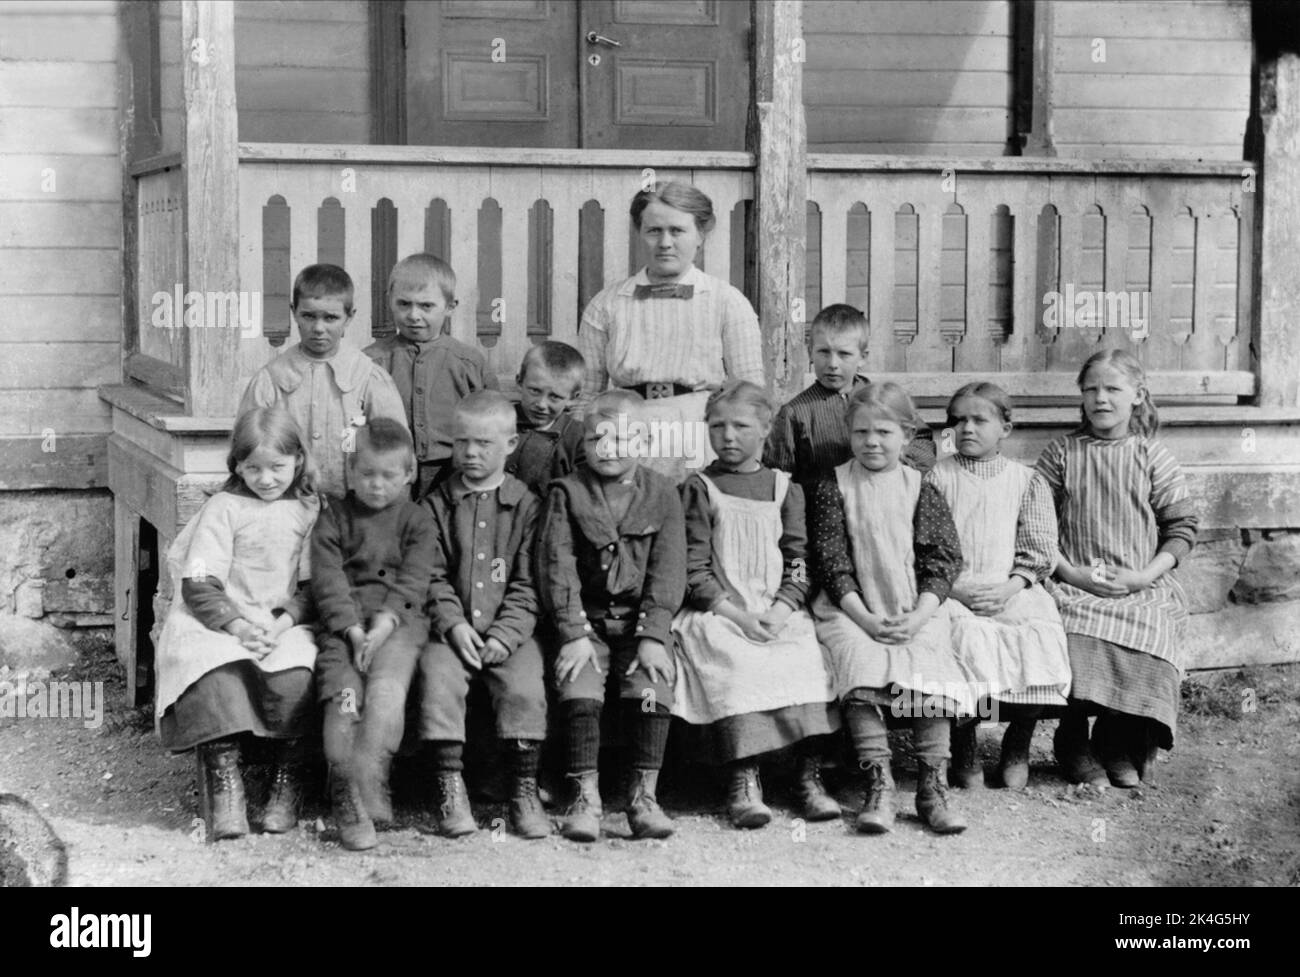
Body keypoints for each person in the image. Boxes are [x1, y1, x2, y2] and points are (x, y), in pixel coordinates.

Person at [672, 381, 841, 829]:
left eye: (741, 426)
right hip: (720, 610)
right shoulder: (700, 487)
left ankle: (808, 776)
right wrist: (736, 615)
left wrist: (784, 608)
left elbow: (799, 560)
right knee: (737, 662)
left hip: (775, 607)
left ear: (766, 428)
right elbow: (693, 567)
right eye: (717, 426)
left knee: (808, 656)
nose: (728, 436)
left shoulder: (785, 488)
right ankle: (744, 777)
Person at [809, 383, 968, 835]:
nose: (871, 442)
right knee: (858, 664)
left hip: (913, 606)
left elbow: (942, 559)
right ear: (848, 433)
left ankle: (932, 788)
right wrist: (865, 619)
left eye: (883, 432)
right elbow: (830, 561)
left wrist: (919, 615)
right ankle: (878, 782)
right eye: (861, 432)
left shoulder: (921, 486)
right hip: (851, 608)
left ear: (906, 434)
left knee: (930, 664)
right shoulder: (832, 485)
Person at [154, 406, 320, 841]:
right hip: (224, 617)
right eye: (254, 469)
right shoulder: (225, 508)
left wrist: (280, 624)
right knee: (212, 669)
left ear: (298, 461)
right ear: (238, 467)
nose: (266, 479)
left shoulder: (308, 510)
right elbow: (200, 583)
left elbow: (313, 588)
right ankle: (226, 780)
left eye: (277, 468)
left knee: (301, 671)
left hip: (284, 621)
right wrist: (239, 627)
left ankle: (288, 780)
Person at [1036, 350, 1198, 788]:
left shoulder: (1152, 456)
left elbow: (1181, 528)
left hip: (1139, 582)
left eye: (1112, 389)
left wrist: (1144, 577)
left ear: (1137, 396)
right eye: (1091, 389)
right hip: (1074, 581)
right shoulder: (1062, 453)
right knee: (1063, 628)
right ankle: (1072, 741)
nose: (1100, 399)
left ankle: (1116, 737)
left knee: (1154, 625)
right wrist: (1070, 574)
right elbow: (1034, 527)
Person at [536, 390, 686, 842]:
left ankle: (643, 798)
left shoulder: (662, 494)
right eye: (599, 439)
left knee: (650, 688)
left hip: (640, 626)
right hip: (587, 623)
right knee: (580, 688)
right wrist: (574, 632)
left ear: (643, 443)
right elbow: (556, 567)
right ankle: (585, 798)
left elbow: (668, 570)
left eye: (624, 439)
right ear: (583, 445)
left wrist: (654, 634)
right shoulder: (567, 493)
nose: (611, 449)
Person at [924, 382, 1071, 790]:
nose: (966, 428)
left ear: (1005, 428)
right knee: (963, 639)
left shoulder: (1026, 481)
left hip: (1009, 586)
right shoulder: (936, 478)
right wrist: (953, 590)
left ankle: (1018, 742)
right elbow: (925, 548)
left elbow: (1039, 548)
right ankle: (965, 742)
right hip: (951, 589)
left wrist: (1011, 587)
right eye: (957, 420)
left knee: (1039, 633)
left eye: (979, 419)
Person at [418, 392, 549, 840]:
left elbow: (531, 582)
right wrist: (452, 624)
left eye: (484, 444)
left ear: (511, 445)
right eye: (461, 443)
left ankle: (522, 787)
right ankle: (450, 786)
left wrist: (507, 634)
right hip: (449, 633)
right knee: (439, 681)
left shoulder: (527, 506)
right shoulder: (436, 505)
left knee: (526, 688)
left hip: (510, 634)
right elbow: (429, 575)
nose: (470, 454)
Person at [577, 182, 764, 480]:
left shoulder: (727, 301)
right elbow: (587, 394)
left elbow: (749, 393)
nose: (665, 242)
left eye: (677, 231)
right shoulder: (607, 304)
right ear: (639, 234)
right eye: (654, 231)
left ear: (700, 236)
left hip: (699, 434)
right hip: (626, 435)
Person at [311, 419, 438, 850]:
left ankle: (371, 781)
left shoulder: (417, 520)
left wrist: (383, 624)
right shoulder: (333, 519)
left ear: (409, 473)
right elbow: (328, 581)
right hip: (343, 628)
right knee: (344, 695)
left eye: (388, 476)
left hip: (397, 627)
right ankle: (345, 792)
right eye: (367, 474)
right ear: (350, 471)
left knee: (385, 693)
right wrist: (350, 631)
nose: (377, 486)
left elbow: (415, 579)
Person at [238, 263, 407, 499]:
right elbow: (246, 449)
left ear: (349, 318)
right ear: (294, 311)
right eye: (308, 316)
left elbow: (395, 450)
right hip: (286, 503)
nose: (318, 328)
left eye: (330, 318)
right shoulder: (270, 380)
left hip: (352, 508)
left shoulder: (368, 378)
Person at [364, 253, 498, 497]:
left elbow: (492, 423)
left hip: (454, 473)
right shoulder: (371, 362)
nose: (414, 315)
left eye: (426, 306)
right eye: (404, 303)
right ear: (389, 301)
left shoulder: (469, 362)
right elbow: (352, 424)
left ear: (449, 307)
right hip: (389, 473)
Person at [764, 303, 935, 492]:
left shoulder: (883, 401)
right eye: (824, 352)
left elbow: (924, 439)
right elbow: (779, 476)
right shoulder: (794, 414)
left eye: (844, 354)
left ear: (862, 357)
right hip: (823, 514)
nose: (832, 364)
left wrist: (899, 463)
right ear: (810, 352)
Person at [506, 340, 586, 497]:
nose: (541, 404)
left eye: (555, 397)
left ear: (573, 397)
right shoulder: (497, 422)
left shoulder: (579, 438)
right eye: (535, 391)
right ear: (519, 382)